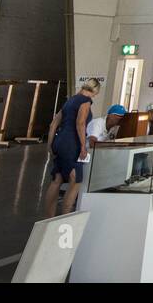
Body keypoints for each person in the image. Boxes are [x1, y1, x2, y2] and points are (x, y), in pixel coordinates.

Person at [42, 79, 98, 218]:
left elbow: (54, 123)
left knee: (57, 179)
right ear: (95, 90)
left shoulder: (70, 100)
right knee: (76, 180)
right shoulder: (85, 101)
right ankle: (65, 218)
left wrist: (50, 144)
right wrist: (83, 147)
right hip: (71, 143)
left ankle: (49, 218)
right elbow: (80, 124)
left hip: (59, 140)